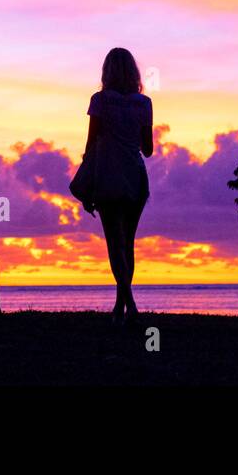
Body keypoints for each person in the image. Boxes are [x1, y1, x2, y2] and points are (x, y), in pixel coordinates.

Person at [81, 47, 153, 325]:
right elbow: (147, 150)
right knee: (128, 243)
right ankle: (120, 306)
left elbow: (91, 145)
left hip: (109, 175)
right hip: (135, 176)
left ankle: (128, 305)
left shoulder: (99, 101)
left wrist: (87, 182)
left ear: (106, 71)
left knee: (115, 243)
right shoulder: (144, 103)